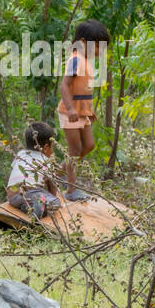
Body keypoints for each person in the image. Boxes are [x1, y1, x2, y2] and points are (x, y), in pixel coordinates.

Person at [57, 18, 110, 200]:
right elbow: (65, 86)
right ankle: (71, 190)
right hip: (69, 113)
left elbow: (83, 88)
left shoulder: (86, 61)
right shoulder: (75, 59)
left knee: (88, 145)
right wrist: (71, 109)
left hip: (82, 112)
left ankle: (59, 172)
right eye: (98, 47)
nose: (100, 51)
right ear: (83, 43)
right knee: (75, 149)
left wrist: (89, 109)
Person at [7, 121, 62, 219]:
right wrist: (52, 198)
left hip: (12, 197)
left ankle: (28, 207)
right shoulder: (46, 161)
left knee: (34, 197)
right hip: (31, 194)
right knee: (56, 202)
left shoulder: (21, 154)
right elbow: (52, 188)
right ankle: (39, 207)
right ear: (46, 147)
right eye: (52, 146)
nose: (52, 150)